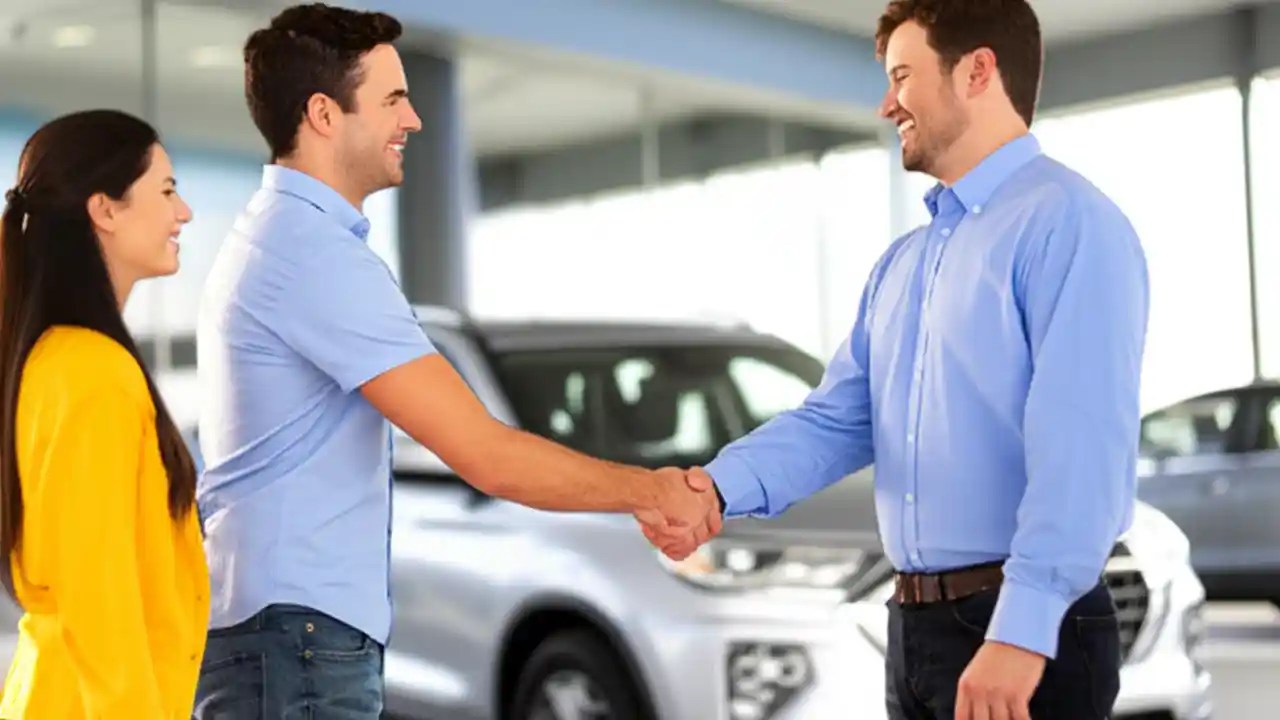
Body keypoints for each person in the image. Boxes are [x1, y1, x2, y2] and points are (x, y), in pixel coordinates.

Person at [192, 4, 718, 716]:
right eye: (392, 100)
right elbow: (485, 454)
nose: (412, 120)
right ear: (323, 113)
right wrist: (651, 493)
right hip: (299, 647)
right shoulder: (312, 256)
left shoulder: (279, 239)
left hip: (284, 638)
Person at [652, 1, 1150, 718]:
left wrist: (1023, 630)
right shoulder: (905, 262)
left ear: (978, 71)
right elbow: (837, 421)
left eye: (903, 76)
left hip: (1018, 628)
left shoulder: (1069, 223)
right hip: (914, 627)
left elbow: (1081, 446)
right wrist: (716, 489)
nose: (887, 104)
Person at [0, 109, 207, 718]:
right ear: (105, 209)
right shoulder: (92, 373)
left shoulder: (56, 356)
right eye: (166, 190)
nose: (184, 212)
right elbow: (101, 605)